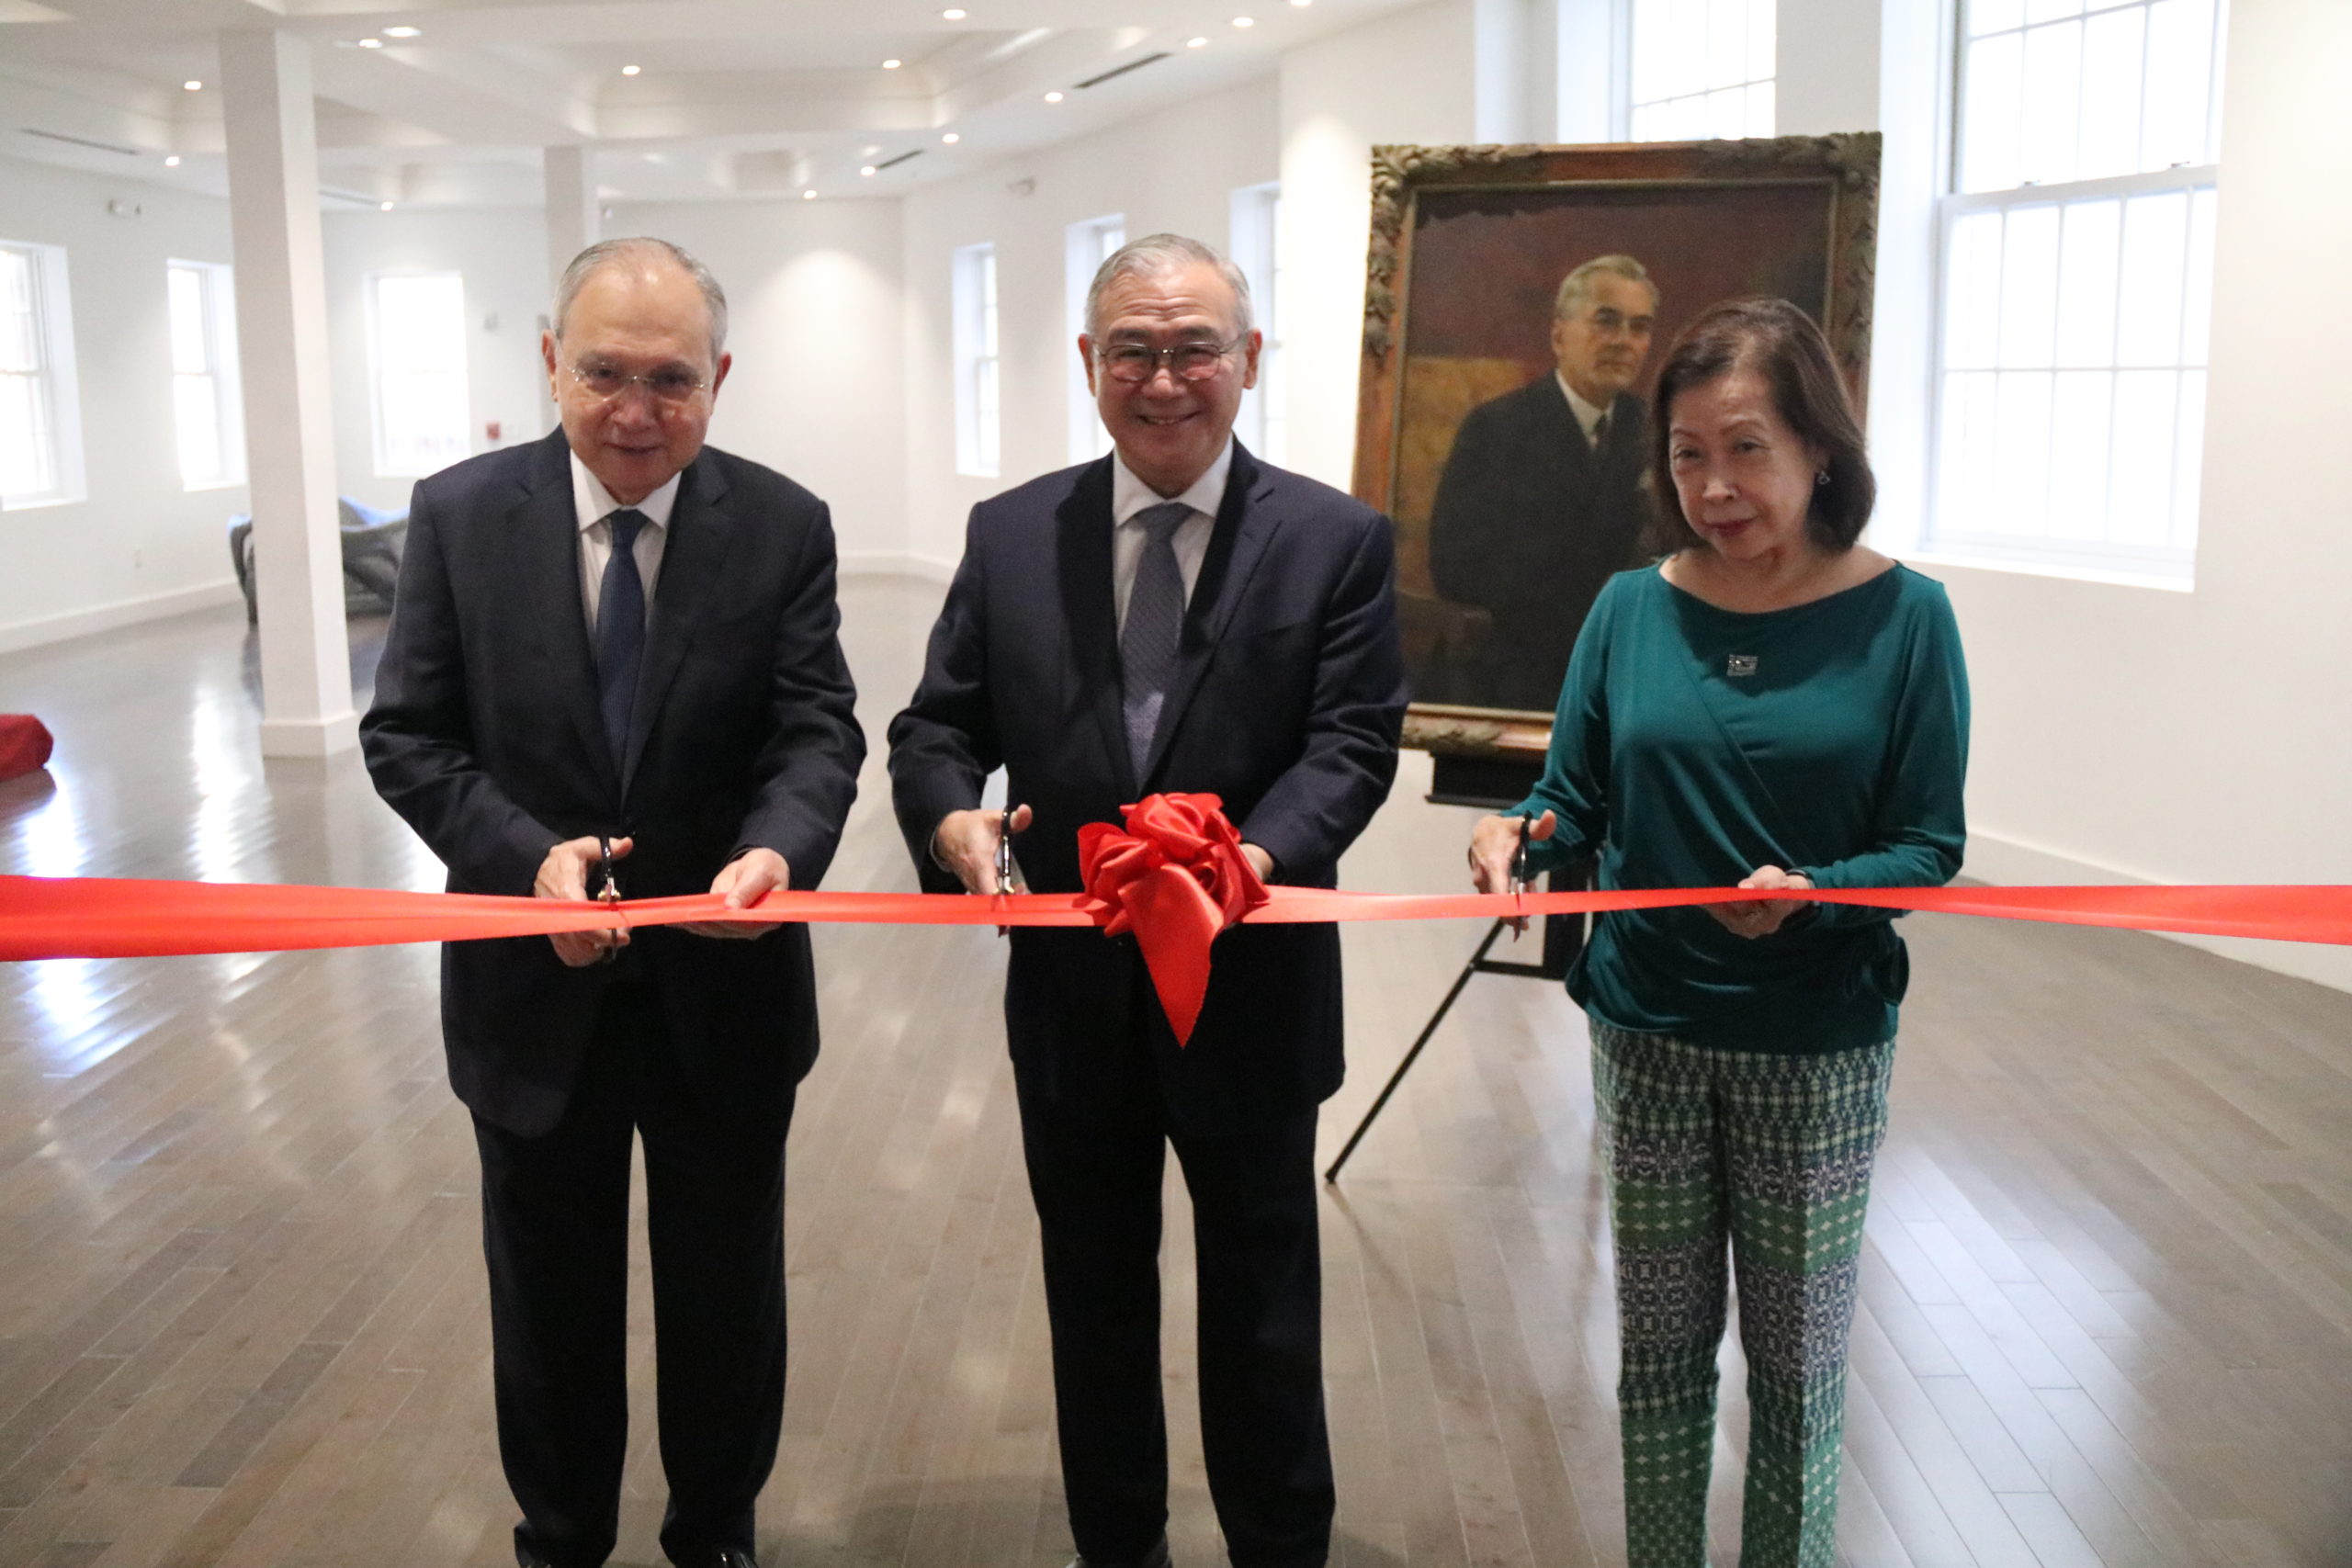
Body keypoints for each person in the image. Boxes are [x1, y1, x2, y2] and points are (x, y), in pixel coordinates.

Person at [888, 233, 1406, 1568]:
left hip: (1253, 990)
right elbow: (936, 724)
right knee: (1094, 1302)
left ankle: (1280, 1545)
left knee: (1265, 1304)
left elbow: (1350, 745)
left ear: (1247, 360)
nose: (1164, 379)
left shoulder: (1335, 538)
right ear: (1087, 362)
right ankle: (1118, 1545)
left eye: (1194, 349)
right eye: (1134, 349)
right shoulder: (1013, 535)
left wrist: (1243, 867)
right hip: (1075, 1004)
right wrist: (951, 819)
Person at [361, 237, 865, 1568]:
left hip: (727, 981)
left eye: (672, 379)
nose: (637, 412)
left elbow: (818, 730)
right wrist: (526, 851)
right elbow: (410, 735)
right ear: (547, 360)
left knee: (724, 1297)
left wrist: (776, 852)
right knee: (548, 1302)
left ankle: (718, 1535)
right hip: (535, 990)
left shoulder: (785, 521)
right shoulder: (462, 515)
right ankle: (563, 1537)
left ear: (721, 377)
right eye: (603, 374)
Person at [1464, 297, 1968, 1568]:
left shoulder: (1908, 618)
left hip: (1817, 1038)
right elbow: (1569, 796)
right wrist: (1516, 836)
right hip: (1650, 1028)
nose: (1715, 484)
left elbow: (1928, 844)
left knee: (1797, 1367)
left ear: (1820, 451)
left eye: (1746, 448)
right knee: (1659, 1358)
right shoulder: (1630, 608)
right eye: (1688, 453)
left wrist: (1814, 882)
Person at [1426, 254, 1658, 712]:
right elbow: (1454, 564)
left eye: (1639, 327)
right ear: (1559, 336)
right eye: (1606, 321)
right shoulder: (1497, 428)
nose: (1623, 342)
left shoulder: (1653, 430)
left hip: (1625, 668)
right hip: (1514, 673)